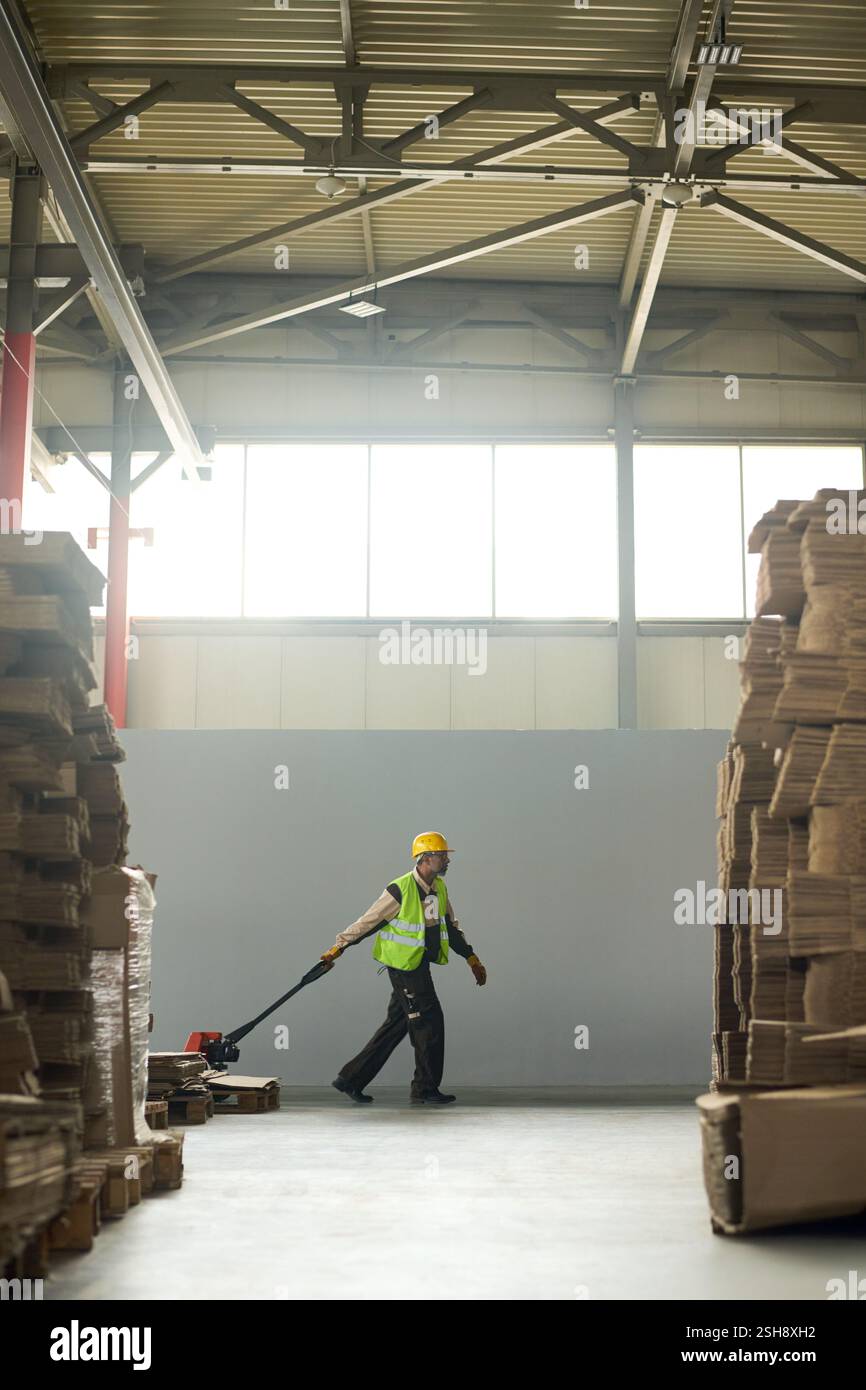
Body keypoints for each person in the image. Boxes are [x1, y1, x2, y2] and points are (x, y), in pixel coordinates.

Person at [321, 832, 486, 1105]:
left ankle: (350, 1079)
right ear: (424, 858)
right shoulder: (400, 888)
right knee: (428, 1023)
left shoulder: (438, 889)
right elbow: (368, 922)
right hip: (404, 967)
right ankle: (424, 1088)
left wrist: (471, 958)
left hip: (417, 964)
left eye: (446, 856)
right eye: (441, 855)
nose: (446, 861)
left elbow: (449, 928)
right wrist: (337, 948)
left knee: (397, 1025)